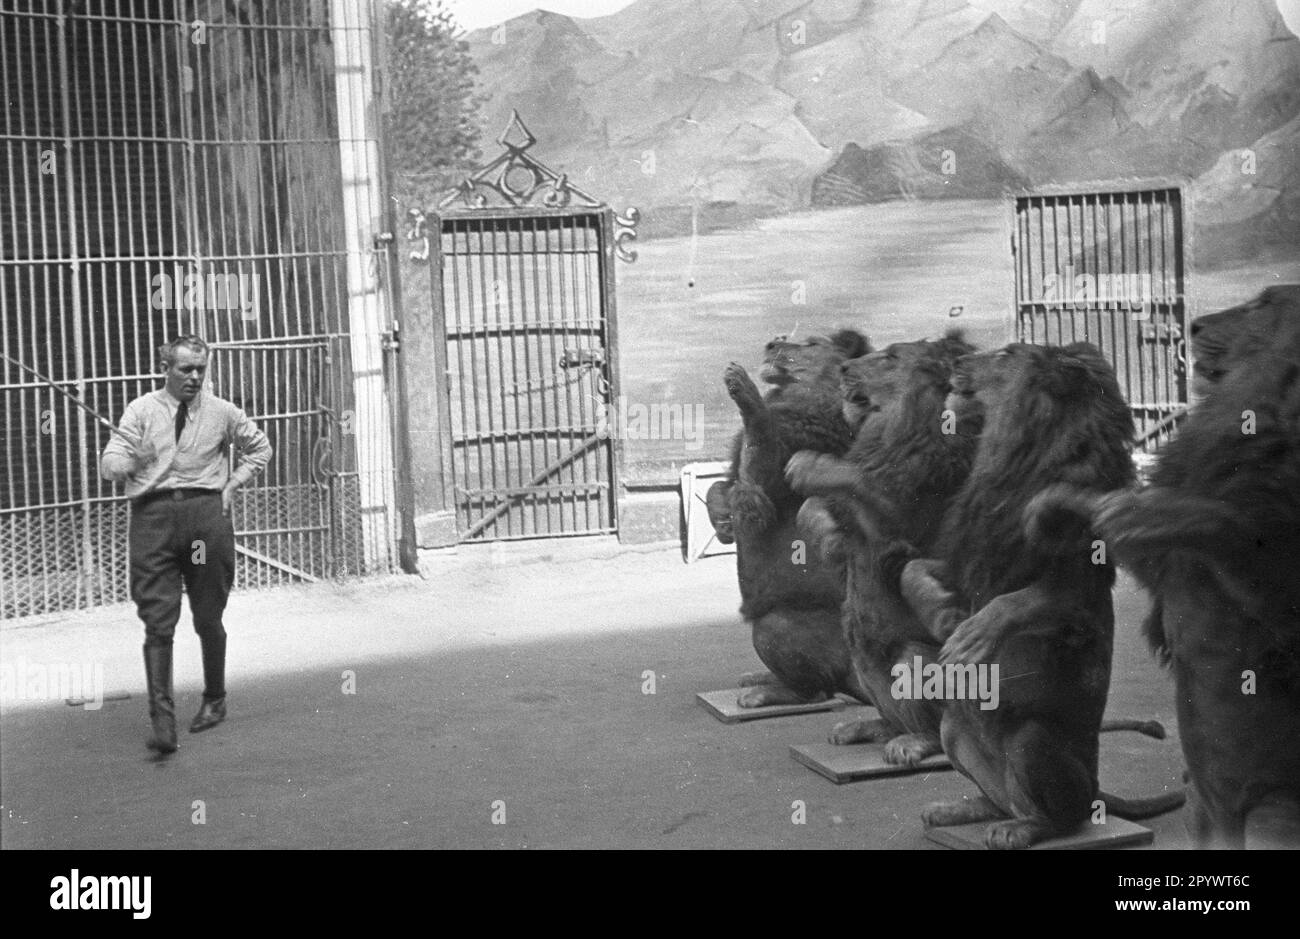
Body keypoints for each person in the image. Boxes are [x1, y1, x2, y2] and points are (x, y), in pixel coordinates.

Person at [100, 335, 272, 755]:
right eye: (185, 369)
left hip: (201, 525)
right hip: (154, 523)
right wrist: (133, 460)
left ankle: (215, 700)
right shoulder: (141, 411)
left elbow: (260, 448)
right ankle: (163, 723)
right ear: (167, 368)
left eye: (200, 369)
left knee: (207, 613)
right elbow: (109, 466)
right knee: (158, 620)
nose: (195, 377)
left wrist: (232, 484)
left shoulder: (221, 412)